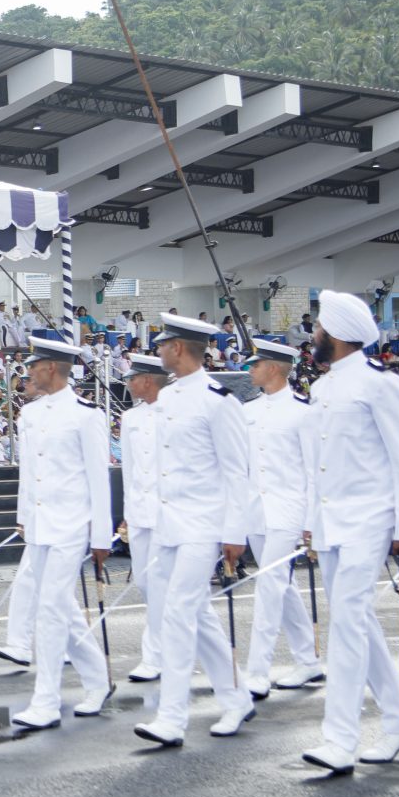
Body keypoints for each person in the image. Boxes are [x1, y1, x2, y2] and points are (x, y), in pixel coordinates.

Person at [299, 292, 399, 773]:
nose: (313, 337)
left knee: (348, 620)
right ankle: (398, 722)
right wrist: (313, 520)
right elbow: (319, 466)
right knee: (357, 622)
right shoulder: (323, 388)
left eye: (317, 330)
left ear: (336, 334)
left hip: (371, 517)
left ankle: (339, 739)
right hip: (332, 521)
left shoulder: (382, 385)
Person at [132, 313, 255, 749]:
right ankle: (235, 697)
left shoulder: (217, 401)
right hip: (170, 524)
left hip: (204, 523)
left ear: (178, 348)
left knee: (179, 614)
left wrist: (234, 532)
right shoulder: (167, 399)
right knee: (196, 614)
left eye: (162, 344)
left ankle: (172, 717)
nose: (158, 350)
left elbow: (236, 471)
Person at [9, 337, 115, 729]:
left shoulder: (86, 415)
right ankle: (98, 680)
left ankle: (46, 700)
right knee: (59, 606)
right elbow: (27, 473)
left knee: (51, 609)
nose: (29, 372)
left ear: (52, 367)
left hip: (72, 522)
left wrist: (101, 537)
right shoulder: (30, 415)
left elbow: (98, 478)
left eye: (35, 365)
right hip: (39, 523)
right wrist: (23, 515)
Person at [239, 339, 325, 697]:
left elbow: (313, 471)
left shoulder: (304, 412)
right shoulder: (248, 411)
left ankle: (257, 671)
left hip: (289, 510)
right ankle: (307, 660)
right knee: (282, 586)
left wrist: (312, 521)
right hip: (256, 511)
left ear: (274, 368)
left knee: (270, 586)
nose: (249, 370)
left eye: (255, 364)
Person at [118, 353, 168, 683]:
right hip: (139, 511)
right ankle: (169, 648)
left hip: (168, 512)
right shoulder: (130, 419)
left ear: (148, 379)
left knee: (163, 586)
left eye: (132, 378)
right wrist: (125, 515)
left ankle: (156, 656)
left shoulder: (175, 413)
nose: (129, 383)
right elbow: (129, 471)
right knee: (146, 584)